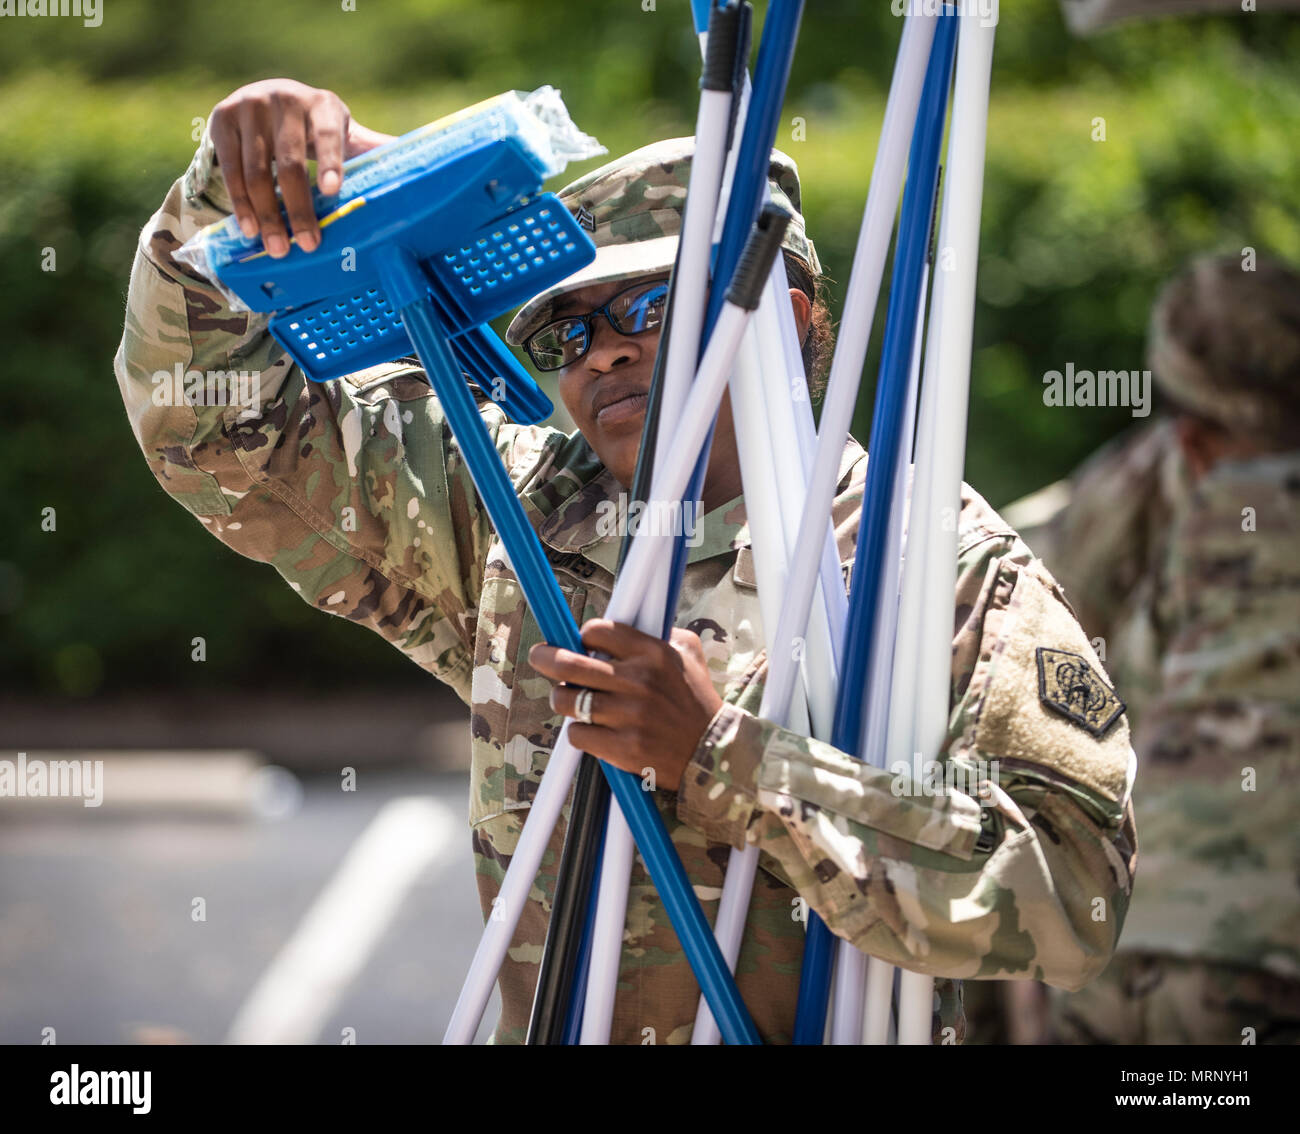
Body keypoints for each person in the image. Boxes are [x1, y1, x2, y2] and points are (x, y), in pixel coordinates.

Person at [115, 78, 1137, 1044]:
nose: (600, 352)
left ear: (780, 317)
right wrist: (231, 179)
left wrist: (724, 760)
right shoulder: (515, 508)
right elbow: (207, 428)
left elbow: (1068, 898)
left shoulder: (930, 566)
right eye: (567, 329)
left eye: (646, 307)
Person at [1005, 252, 1300, 1044]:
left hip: (1131, 938)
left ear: (1191, 429)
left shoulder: (1160, 489)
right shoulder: (1165, 485)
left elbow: (1045, 656)